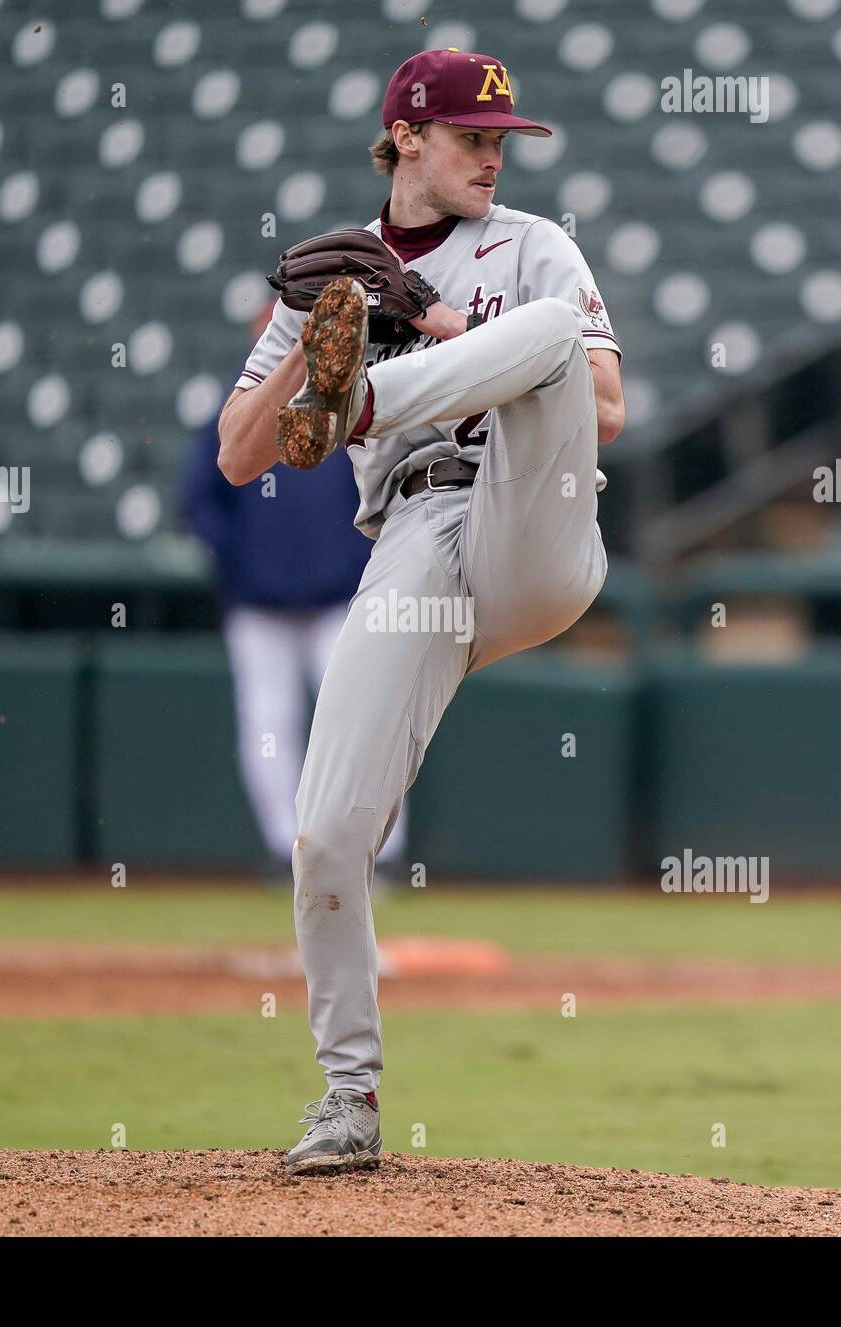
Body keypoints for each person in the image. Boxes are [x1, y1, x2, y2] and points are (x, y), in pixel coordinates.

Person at [217, 49, 625, 1174]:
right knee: (327, 829)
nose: (493, 152)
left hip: (532, 517)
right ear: (404, 135)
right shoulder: (331, 281)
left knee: (543, 331)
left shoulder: (534, 246)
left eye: (502, 138)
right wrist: (311, 335)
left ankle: (362, 401)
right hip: (410, 537)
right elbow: (240, 450)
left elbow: (605, 403)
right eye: (468, 135)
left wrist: (432, 331)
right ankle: (348, 1098)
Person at [182, 302, 408, 882]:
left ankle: (375, 854)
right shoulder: (232, 413)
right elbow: (200, 504)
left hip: (339, 598)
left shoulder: (354, 398)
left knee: (363, 721)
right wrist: (240, 567)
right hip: (259, 607)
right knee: (267, 724)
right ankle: (289, 851)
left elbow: (389, 486)